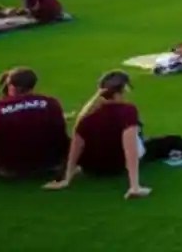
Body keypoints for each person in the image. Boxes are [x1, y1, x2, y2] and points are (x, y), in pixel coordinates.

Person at [44, 71, 153, 199]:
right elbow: (130, 147)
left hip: (92, 168)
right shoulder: (127, 110)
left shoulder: (88, 114)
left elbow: (76, 146)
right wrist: (134, 186)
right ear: (123, 89)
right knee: (164, 142)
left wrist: (67, 178)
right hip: (116, 165)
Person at [0, 68, 68, 178]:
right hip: (51, 165)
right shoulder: (51, 103)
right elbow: (61, 135)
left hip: (11, 169)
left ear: (10, 85)